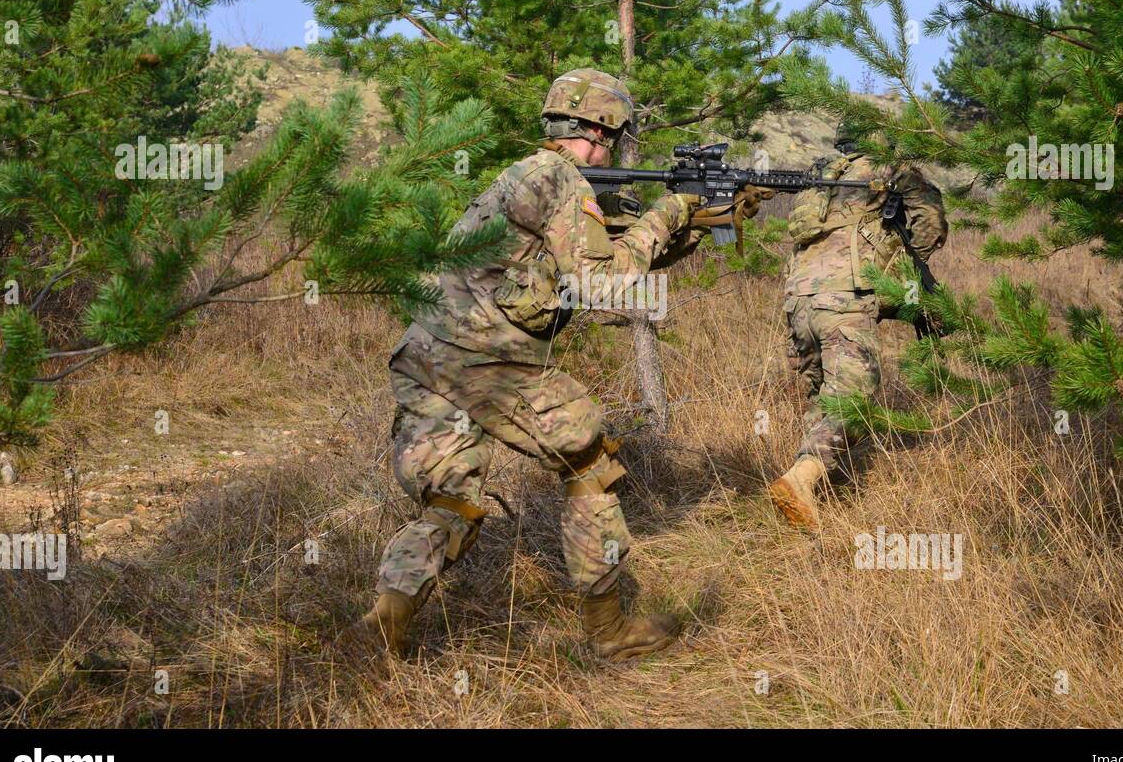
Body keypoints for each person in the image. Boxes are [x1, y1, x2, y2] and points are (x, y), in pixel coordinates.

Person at [347, 69, 758, 659]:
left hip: (427, 355)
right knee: (589, 468)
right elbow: (605, 284)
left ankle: (382, 626)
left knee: (453, 500)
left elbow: (607, 255)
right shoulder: (566, 182)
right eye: (611, 134)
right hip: (492, 361)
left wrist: (690, 225)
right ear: (597, 127)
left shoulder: (525, 175)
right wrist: (670, 212)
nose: (612, 146)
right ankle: (609, 633)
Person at [768, 119, 948, 528]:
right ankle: (802, 479)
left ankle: (817, 493)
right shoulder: (890, 169)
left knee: (823, 395)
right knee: (853, 396)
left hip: (800, 301)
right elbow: (931, 221)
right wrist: (895, 263)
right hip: (846, 297)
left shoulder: (820, 176)